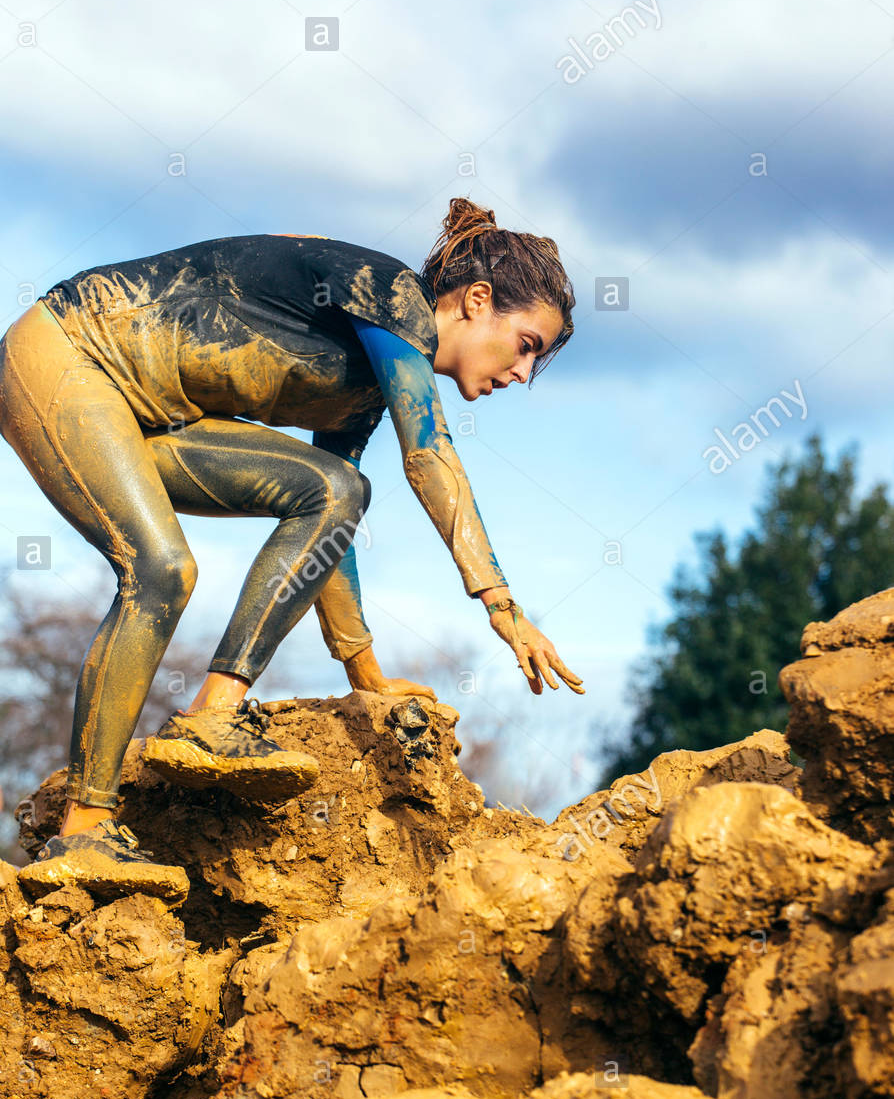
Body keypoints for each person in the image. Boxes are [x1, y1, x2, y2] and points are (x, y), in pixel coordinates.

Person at [0, 196, 584, 900]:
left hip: (154, 419)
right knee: (160, 570)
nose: (522, 374)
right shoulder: (393, 297)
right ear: (476, 300)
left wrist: (364, 674)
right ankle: (86, 830)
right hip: (67, 356)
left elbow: (332, 516)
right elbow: (429, 456)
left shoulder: (367, 384)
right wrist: (501, 604)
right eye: (527, 344)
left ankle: (213, 712)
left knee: (336, 487)